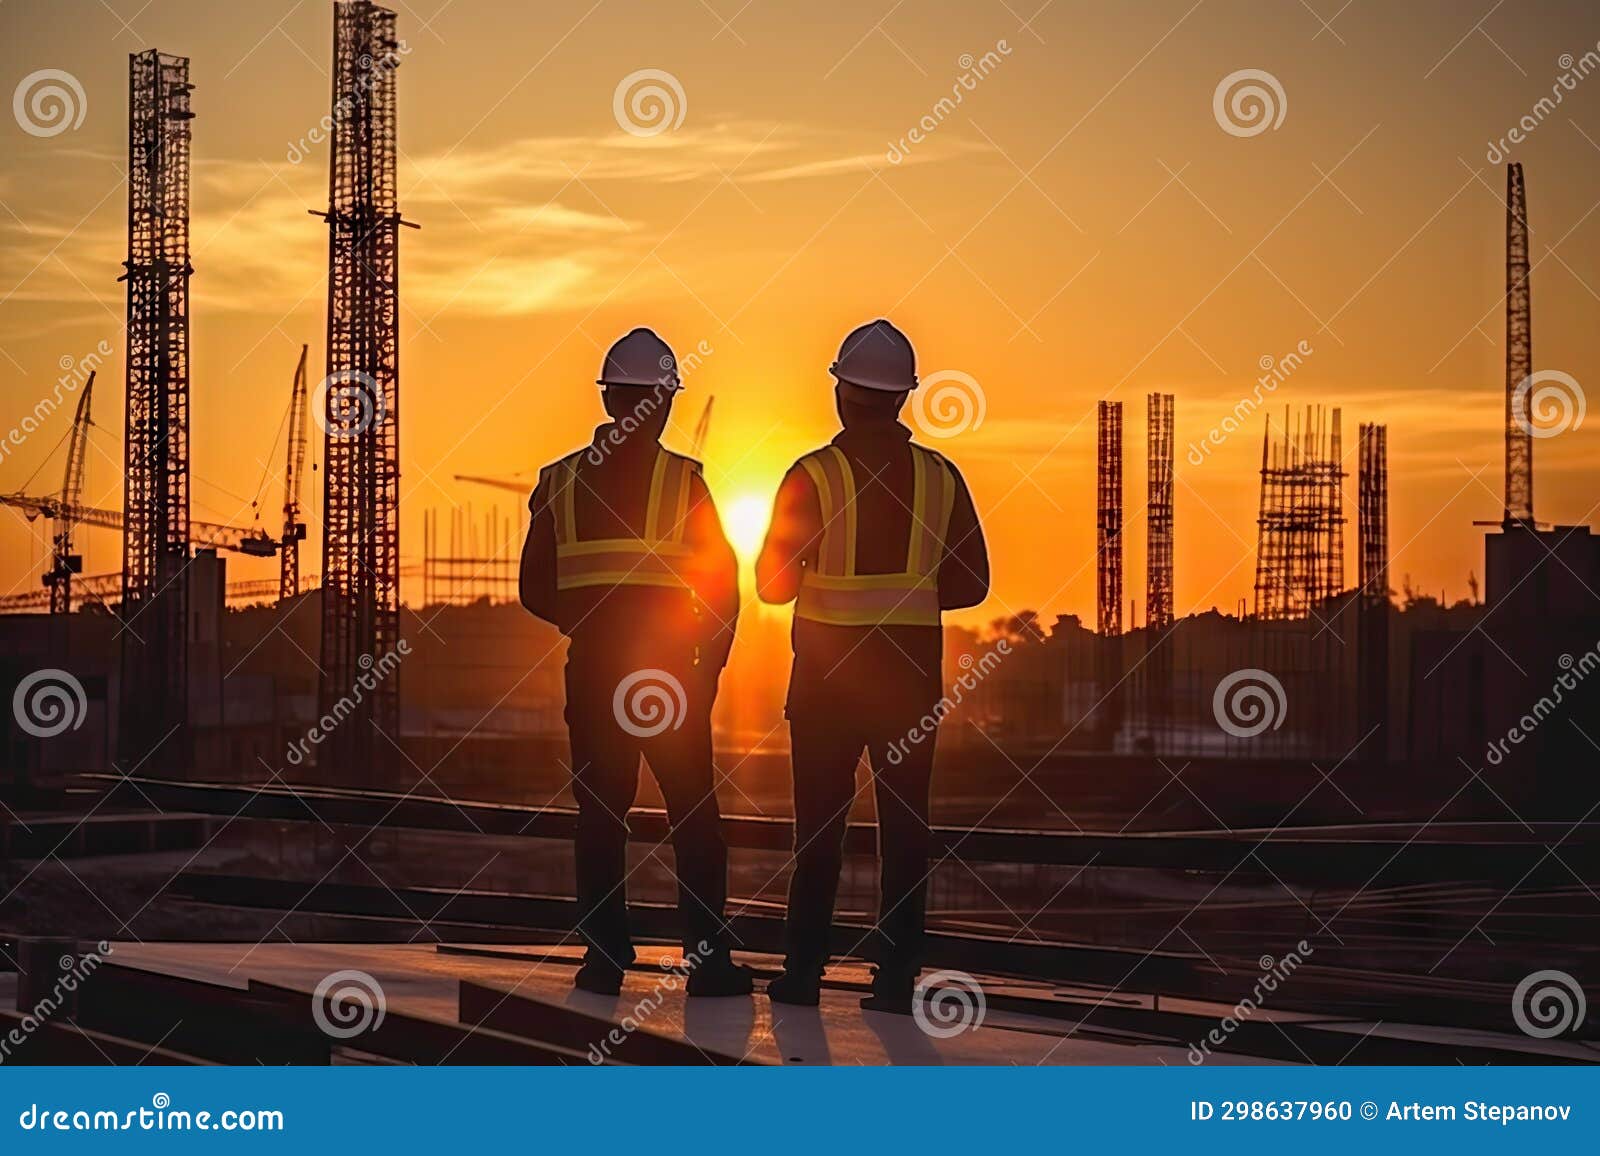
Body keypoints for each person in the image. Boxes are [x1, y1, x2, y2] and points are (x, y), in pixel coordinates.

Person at [755, 319, 989, 1010]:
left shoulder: (811, 476)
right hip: (908, 684)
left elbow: (771, 587)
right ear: (902, 398)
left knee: (818, 835)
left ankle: (802, 978)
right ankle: (895, 981)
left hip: (826, 687)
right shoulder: (941, 477)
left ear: (842, 394)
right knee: (907, 832)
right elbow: (972, 584)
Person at [520, 327, 752, 997]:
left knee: (598, 816)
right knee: (695, 819)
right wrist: (705, 671)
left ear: (611, 397)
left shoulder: (560, 480)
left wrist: (587, 625)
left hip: (595, 672)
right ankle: (707, 963)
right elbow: (723, 589)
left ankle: (602, 962)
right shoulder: (686, 481)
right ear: (661, 401)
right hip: (672, 674)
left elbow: (534, 588)